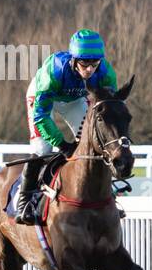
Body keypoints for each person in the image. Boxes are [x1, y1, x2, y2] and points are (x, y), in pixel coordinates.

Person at [14, 29, 118, 225]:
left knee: (95, 140)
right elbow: (41, 116)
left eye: (94, 64)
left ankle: (108, 194)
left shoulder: (106, 73)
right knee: (42, 148)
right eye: (84, 64)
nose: (89, 70)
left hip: (73, 100)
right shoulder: (54, 72)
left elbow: (108, 110)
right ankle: (24, 201)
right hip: (43, 100)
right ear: (73, 59)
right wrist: (61, 144)